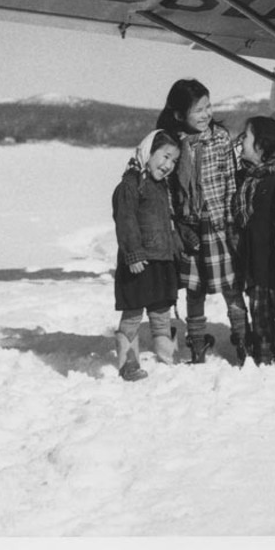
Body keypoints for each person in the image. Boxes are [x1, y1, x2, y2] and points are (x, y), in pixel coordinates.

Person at [156, 79, 244, 366]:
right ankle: (196, 342)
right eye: (198, 110)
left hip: (218, 224)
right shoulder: (171, 143)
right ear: (180, 115)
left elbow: (232, 181)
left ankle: (242, 338)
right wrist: (178, 226)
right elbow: (168, 189)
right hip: (190, 226)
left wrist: (232, 224)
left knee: (231, 285)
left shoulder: (220, 138)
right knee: (195, 288)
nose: (206, 114)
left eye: (208, 107)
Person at [112, 130, 183, 381]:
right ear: (148, 152)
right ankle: (127, 361)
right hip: (139, 261)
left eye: (174, 161)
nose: (168, 165)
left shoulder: (161, 187)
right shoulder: (131, 184)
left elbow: (167, 222)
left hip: (161, 260)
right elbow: (126, 220)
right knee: (133, 310)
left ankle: (166, 355)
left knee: (161, 309)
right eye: (164, 157)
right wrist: (133, 254)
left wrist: (179, 243)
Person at [234, 116, 275, 365]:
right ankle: (263, 351)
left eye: (246, 137)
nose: (241, 142)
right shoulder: (244, 177)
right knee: (258, 303)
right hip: (254, 255)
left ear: (262, 144)